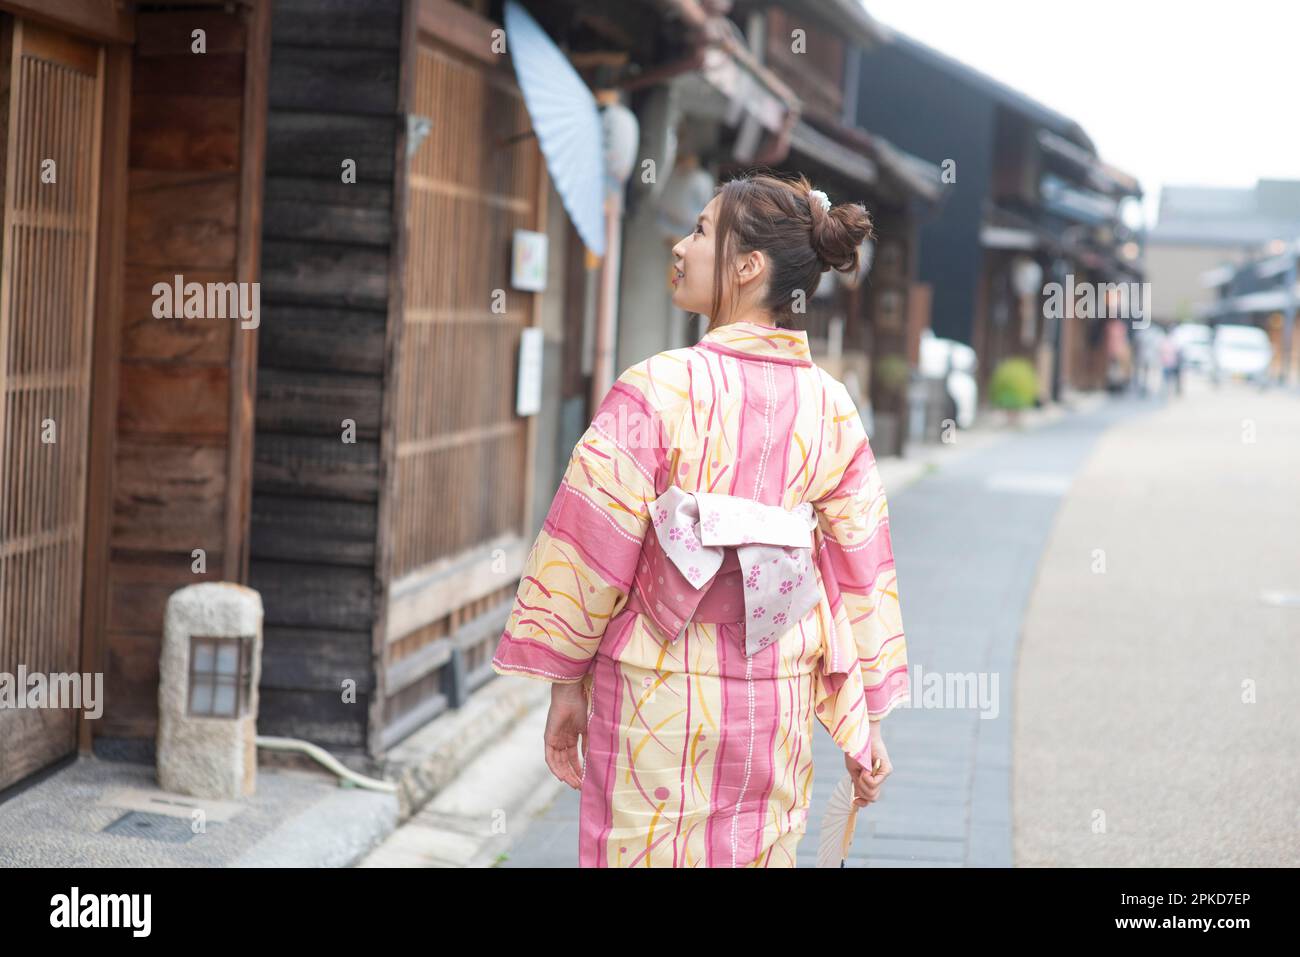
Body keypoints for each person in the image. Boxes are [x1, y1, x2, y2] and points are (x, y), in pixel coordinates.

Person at [491, 171, 910, 867]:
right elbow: (858, 563)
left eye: (701, 231)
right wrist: (861, 716)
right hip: (775, 696)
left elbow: (592, 548)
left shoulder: (655, 389)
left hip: (656, 693)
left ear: (748, 267)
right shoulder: (830, 405)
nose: (681, 247)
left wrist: (568, 683)